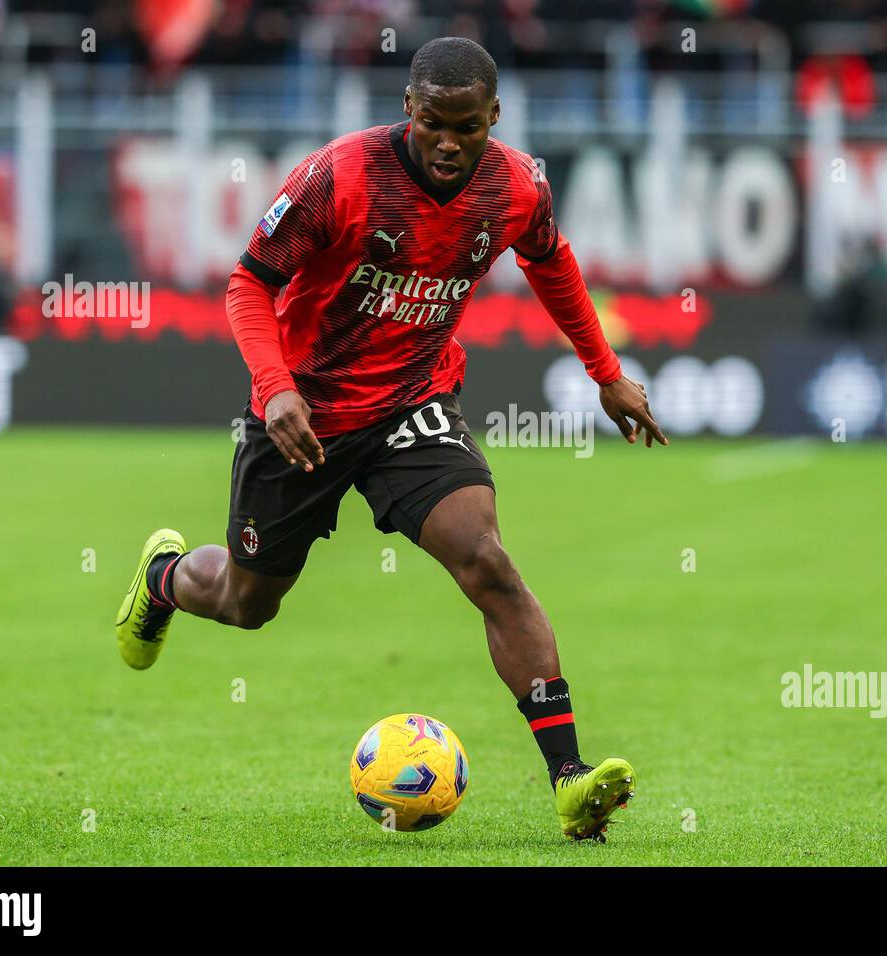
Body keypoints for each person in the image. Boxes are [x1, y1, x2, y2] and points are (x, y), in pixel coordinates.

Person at [114, 36, 666, 842]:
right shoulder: (339, 177)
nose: (450, 142)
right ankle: (163, 579)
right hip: (304, 413)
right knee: (247, 602)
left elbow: (552, 261)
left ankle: (570, 780)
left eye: (468, 127)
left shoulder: (516, 185)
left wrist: (605, 370)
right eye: (435, 124)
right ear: (407, 108)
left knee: (488, 561)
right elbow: (249, 283)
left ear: (494, 118)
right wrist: (275, 391)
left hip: (414, 401)